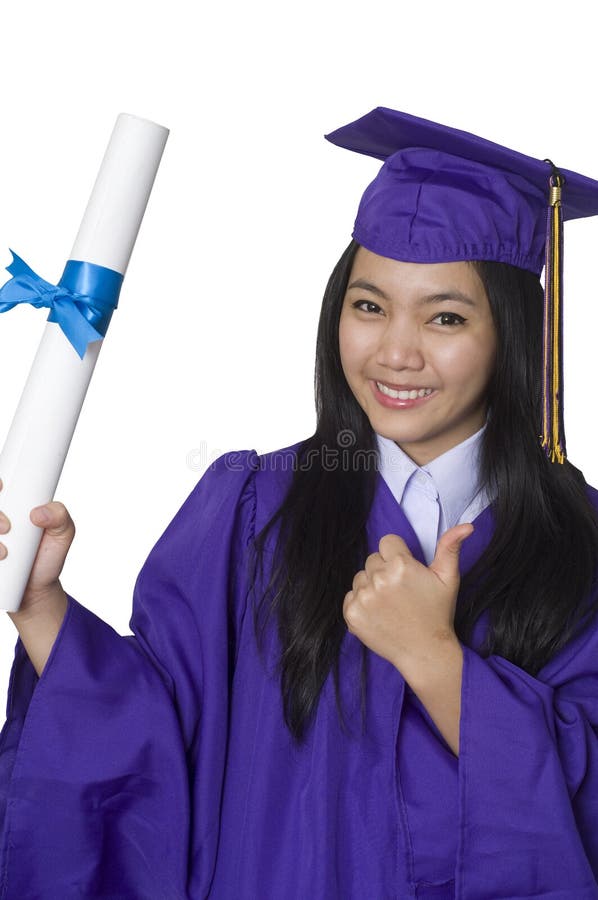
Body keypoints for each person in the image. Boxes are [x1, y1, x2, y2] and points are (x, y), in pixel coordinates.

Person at [0, 106, 597, 899]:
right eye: (369, 305)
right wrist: (43, 607)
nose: (395, 352)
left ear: (516, 337)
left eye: (446, 316)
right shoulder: (253, 508)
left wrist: (435, 661)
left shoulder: (583, 548)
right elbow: (160, 739)